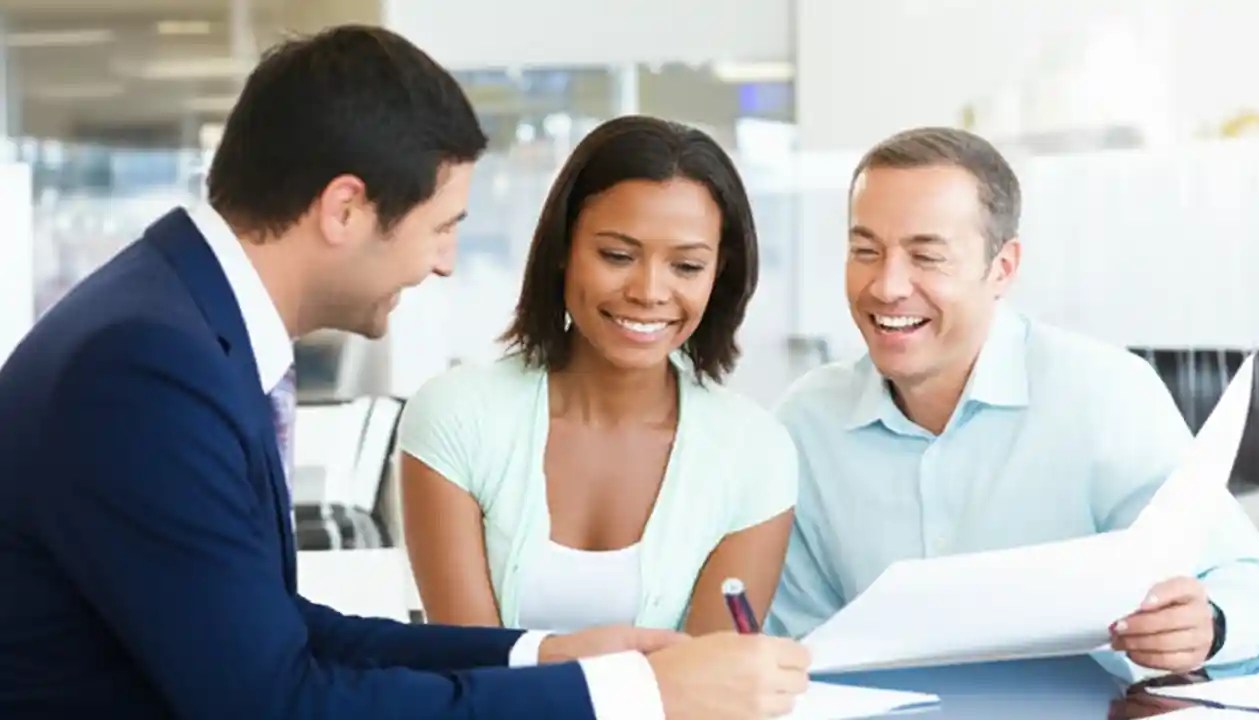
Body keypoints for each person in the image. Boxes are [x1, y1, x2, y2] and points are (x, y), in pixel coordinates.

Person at [0, 25, 811, 719]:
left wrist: (550, 656)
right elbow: (276, 703)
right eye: (441, 227)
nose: (447, 264)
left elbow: (277, 628)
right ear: (345, 209)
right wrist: (626, 696)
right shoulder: (148, 367)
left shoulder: (174, 325)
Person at [764, 126, 1259, 679]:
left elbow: (1255, 587)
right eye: (865, 251)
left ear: (1002, 268)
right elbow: (799, 644)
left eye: (927, 256)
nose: (887, 286)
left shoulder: (1103, 394)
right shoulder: (806, 422)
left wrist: (1210, 624)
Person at [397, 115, 798, 637]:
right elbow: (474, 667)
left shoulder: (754, 451)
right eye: (617, 255)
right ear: (563, 249)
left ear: (719, 273)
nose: (650, 291)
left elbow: (707, 690)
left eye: (687, 266)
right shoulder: (456, 417)